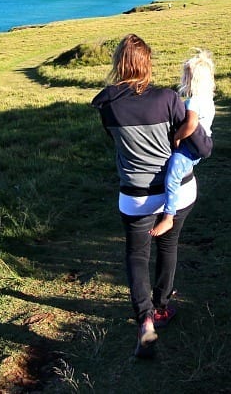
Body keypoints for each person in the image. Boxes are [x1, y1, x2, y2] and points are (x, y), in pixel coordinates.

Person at [91, 33, 212, 358]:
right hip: (179, 191)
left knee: (136, 255)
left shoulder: (105, 104)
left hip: (135, 195)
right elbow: (201, 146)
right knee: (168, 246)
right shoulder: (169, 98)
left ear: (119, 63)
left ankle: (145, 319)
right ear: (147, 64)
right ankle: (161, 307)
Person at [151, 50, 216, 237]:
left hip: (190, 147)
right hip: (203, 143)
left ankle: (168, 216)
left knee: (172, 176)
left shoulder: (193, 102)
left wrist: (178, 136)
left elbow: (191, 124)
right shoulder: (208, 100)